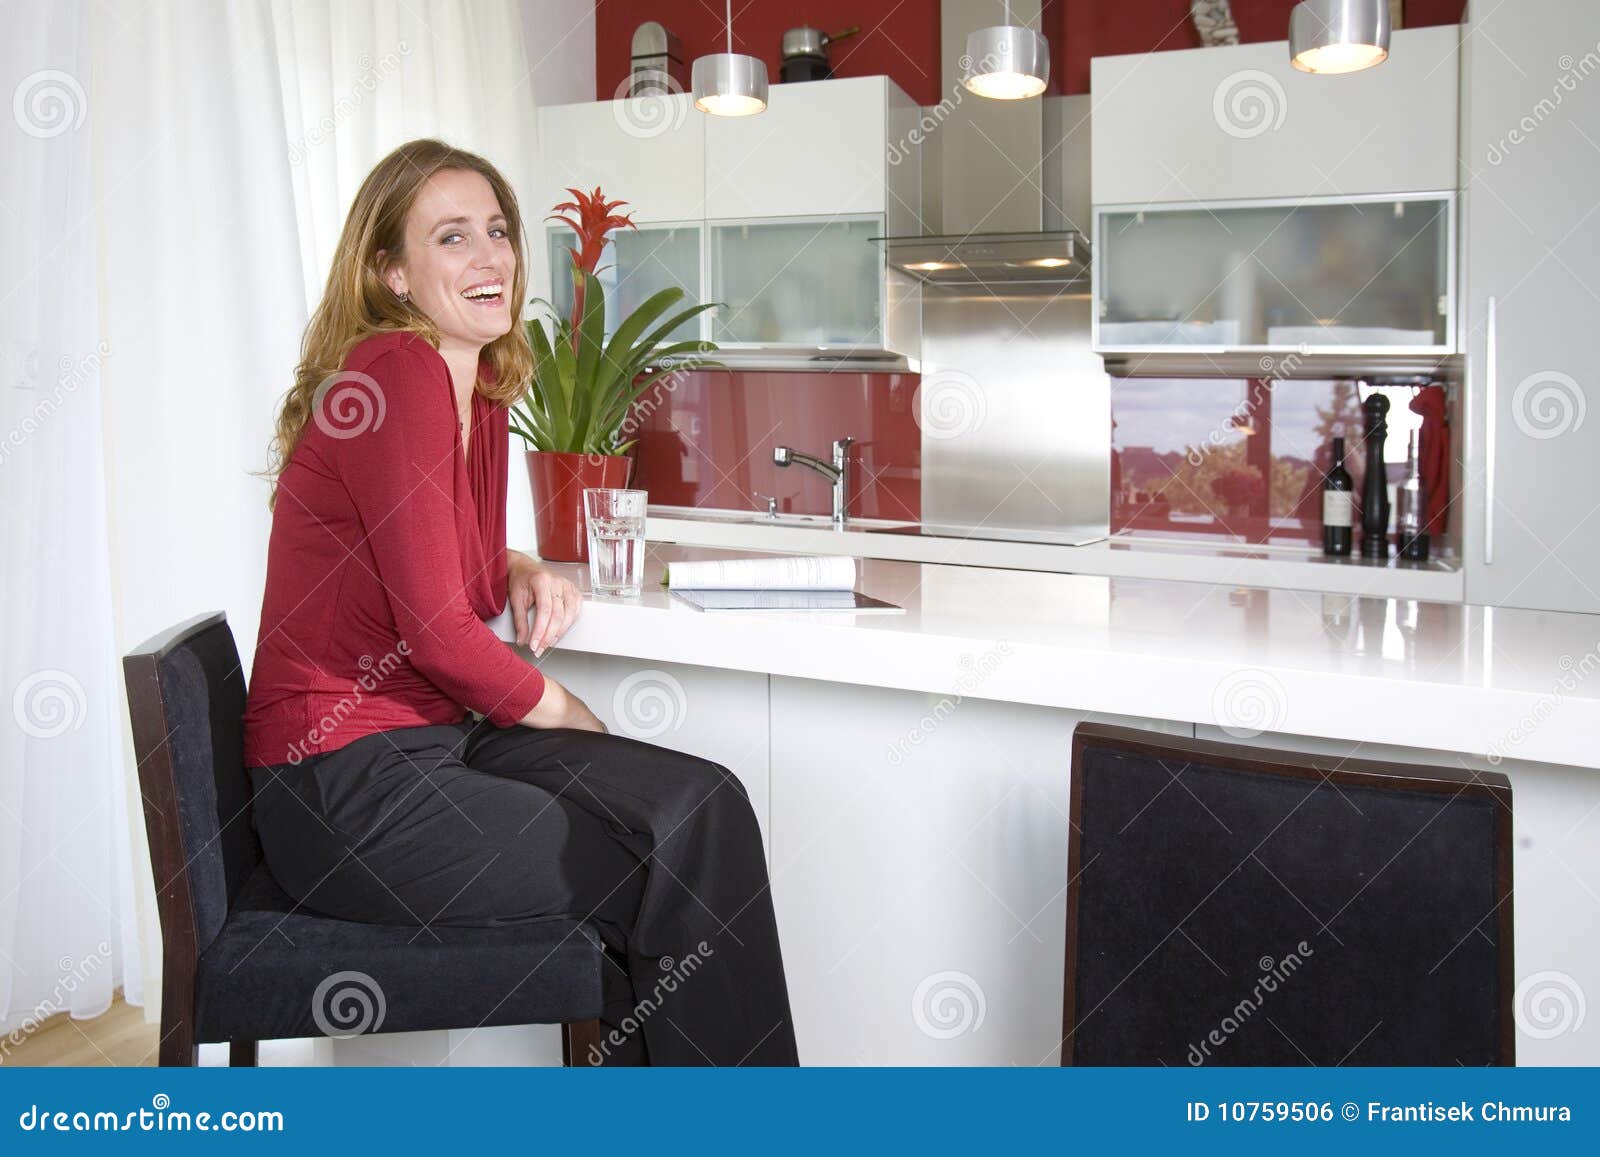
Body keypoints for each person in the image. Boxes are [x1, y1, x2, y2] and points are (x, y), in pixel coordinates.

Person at [241, 138, 797, 1066]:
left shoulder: (480, 386)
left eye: (497, 230)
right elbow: (434, 631)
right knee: (671, 864)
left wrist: (520, 561)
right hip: (345, 788)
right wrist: (569, 711)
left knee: (706, 807)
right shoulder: (397, 370)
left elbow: (433, 559)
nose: (490, 255)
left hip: (431, 743)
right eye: (452, 236)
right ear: (391, 274)